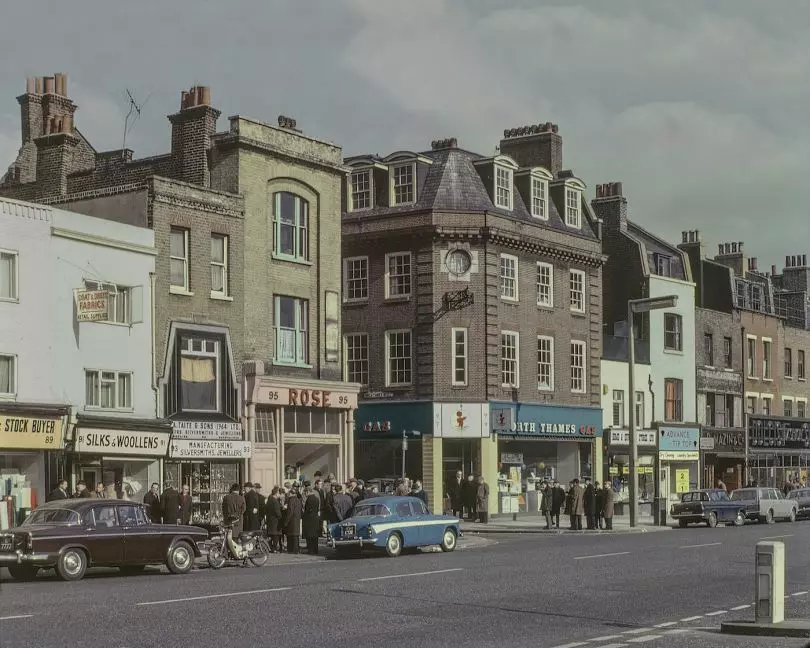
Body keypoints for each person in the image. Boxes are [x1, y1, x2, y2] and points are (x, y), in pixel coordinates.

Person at [282, 485, 303, 554]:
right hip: (297, 520)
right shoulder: (298, 500)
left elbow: (290, 511)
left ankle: (291, 549)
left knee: (291, 535)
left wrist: (286, 522)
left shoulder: (290, 500)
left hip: (291, 521)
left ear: (290, 494)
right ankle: (296, 549)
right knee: (296, 536)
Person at [302, 482, 321, 555]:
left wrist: (304, 515)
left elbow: (307, 510)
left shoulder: (309, 499)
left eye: (306, 492)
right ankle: (316, 550)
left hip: (309, 519)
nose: (305, 494)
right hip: (315, 518)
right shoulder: (316, 499)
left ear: (308, 492)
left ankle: (311, 550)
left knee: (309, 536)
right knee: (315, 536)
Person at [265, 487, 283, 552]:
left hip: (270, 520)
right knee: (275, 536)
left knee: (271, 535)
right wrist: (281, 517)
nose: (279, 494)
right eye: (279, 493)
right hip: (275, 521)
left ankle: (270, 547)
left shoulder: (269, 500)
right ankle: (274, 548)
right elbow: (277, 512)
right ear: (276, 493)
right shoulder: (275, 501)